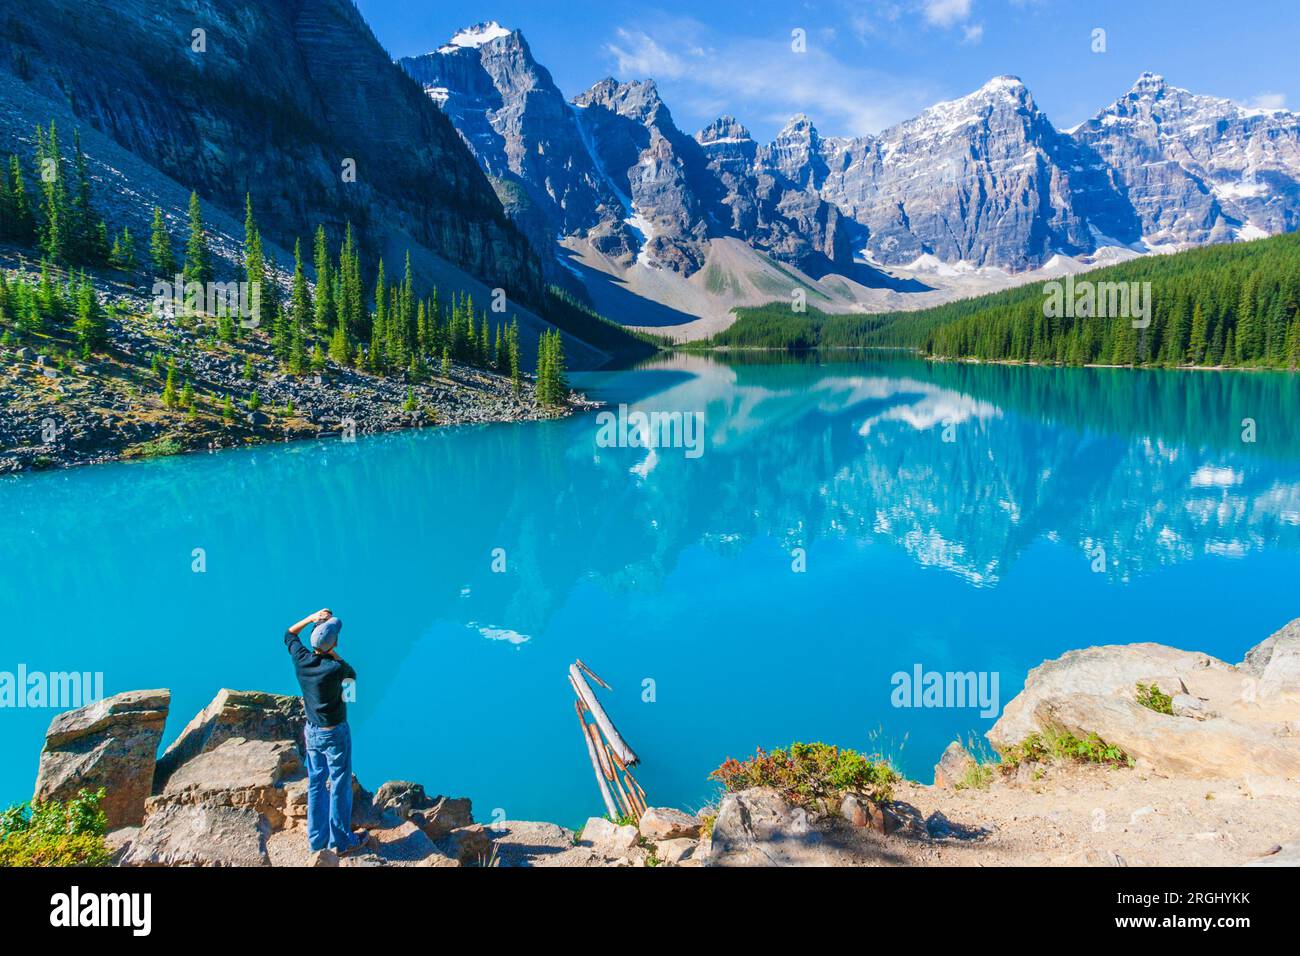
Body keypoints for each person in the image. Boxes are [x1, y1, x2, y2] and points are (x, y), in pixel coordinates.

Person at [284, 608, 363, 856]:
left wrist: (312, 619)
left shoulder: (301, 660)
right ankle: (340, 841)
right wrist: (331, 649)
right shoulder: (336, 669)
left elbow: (288, 634)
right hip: (335, 733)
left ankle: (316, 842)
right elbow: (352, 676)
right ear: (335, 643)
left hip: (313, 731)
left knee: (317, 782)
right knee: (339, 783)